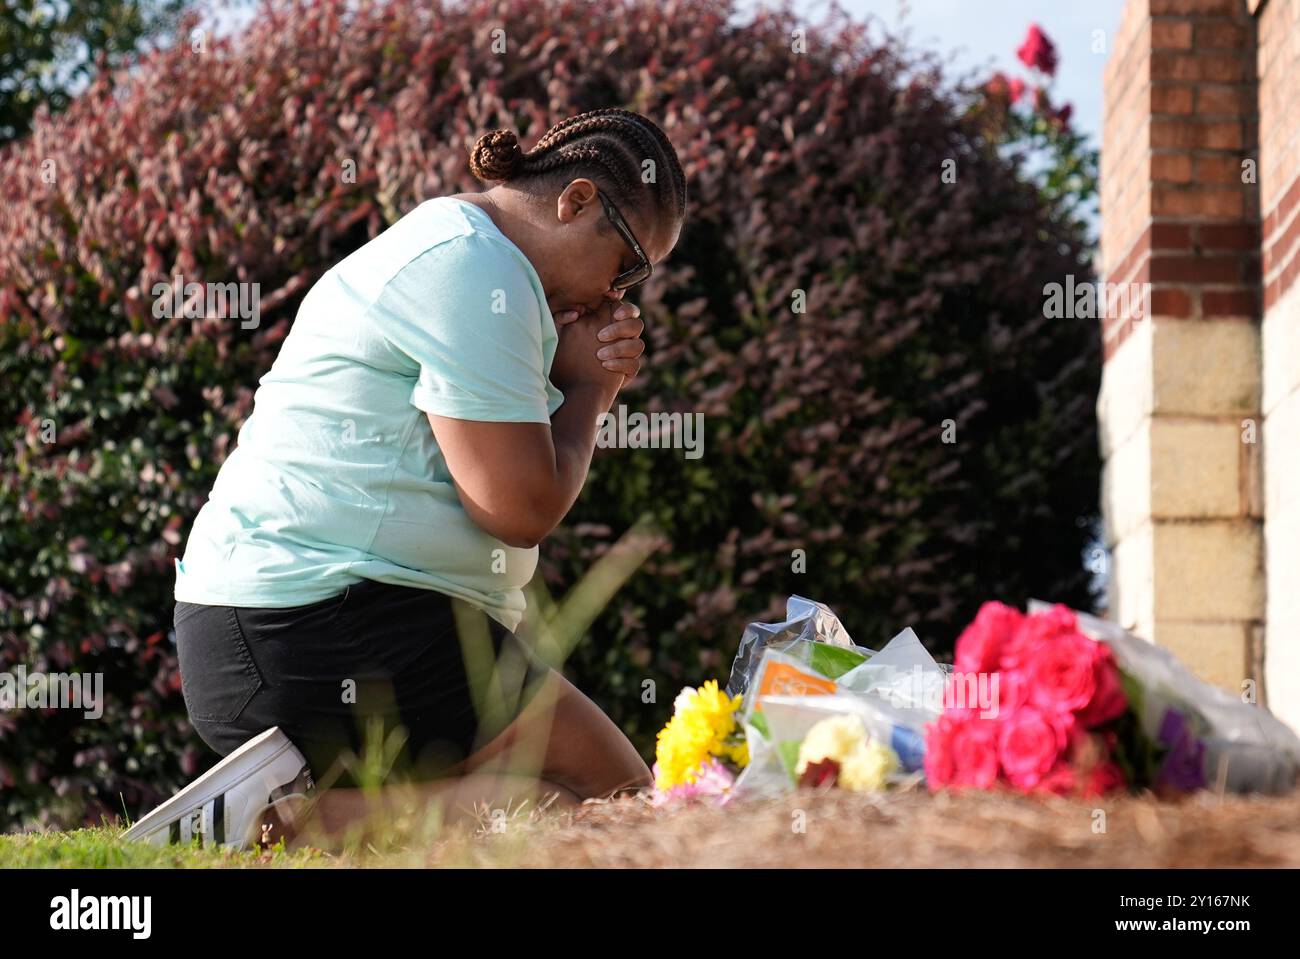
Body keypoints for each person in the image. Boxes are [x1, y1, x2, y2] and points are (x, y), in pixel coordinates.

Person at [122, 108, 688, 850]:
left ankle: (276, 824)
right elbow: (517, 509)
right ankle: (273, 830)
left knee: (550, 807)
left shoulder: (464, 255)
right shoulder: (477, 268)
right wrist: (590, 394)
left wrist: (562, 371)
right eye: (627, 266)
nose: (618, 298)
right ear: (576, 201)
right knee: (616, 797)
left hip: (268, 632)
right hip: (316, 621)